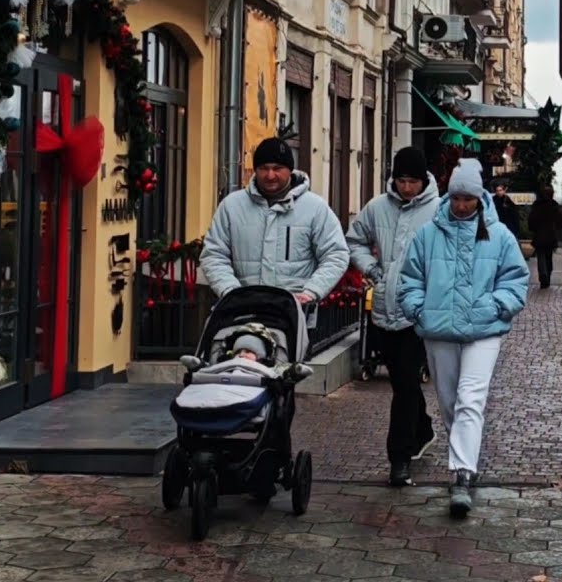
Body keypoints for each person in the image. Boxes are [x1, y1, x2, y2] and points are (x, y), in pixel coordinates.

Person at [398, 158, 530, 518]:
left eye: (468, 199)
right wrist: (419, 309)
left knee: (471, 398)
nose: (460, 205)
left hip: (483, 329)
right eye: (456, 198)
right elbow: (410, 278)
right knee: (449, 402)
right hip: (439, 329)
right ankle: (463, 458)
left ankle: (462, 473)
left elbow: (516, 279)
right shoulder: (428, 234)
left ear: (479, 198)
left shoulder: (499, 235)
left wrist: (497, 306)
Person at [345, 147, 440, 487]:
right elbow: (354, 240)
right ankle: (423, 429)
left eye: (413, 181)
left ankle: (399, 459)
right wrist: (373, 270)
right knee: (403, 382)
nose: (407, 187)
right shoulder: (377, 207)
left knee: (405, 385)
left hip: (418, 312)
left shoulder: (439, 210)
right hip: (385, 308)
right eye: (401, 180)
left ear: (424, 180)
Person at [200, 137, 349, 308]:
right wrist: (230, 291)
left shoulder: (315, 208)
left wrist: (311, 292)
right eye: (264, 168)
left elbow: (336, 254)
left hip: (296, 314)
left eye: (277, 168)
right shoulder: (232, 206)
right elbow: (213, 254)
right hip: (242, 312)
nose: (270, 175)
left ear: (289, 170)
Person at [527, 186, 561, 288]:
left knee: (541, 256)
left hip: (539, 234)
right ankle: (547, 275)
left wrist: (533, 229)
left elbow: (531, 219)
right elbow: (559, 220)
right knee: (548, 257)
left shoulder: (536, 205)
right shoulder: (554, 205)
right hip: (550, 235)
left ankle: (543, 274)